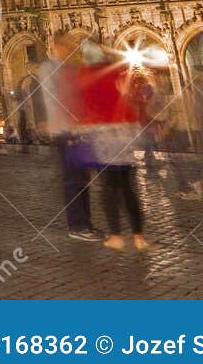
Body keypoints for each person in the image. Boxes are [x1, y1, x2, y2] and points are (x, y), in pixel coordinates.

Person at [74, 46, 147, 251]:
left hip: (104, 134)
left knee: (108, 188)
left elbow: (83, 105)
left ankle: (115, 235)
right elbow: (131, 96)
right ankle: (139, 236)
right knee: (127, 187)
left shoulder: (86, 75)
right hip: (125, 131)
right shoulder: (118, 70)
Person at [42, 36, 99, 241]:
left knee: (81, 178)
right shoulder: (50, 68)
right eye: (68, 47)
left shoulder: (68, 68)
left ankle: (85, 223)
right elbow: (52, 99)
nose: (72, 50)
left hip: (75, 129)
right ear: (57, 47)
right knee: (73, 180)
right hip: (64, 131)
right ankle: (77, 226)